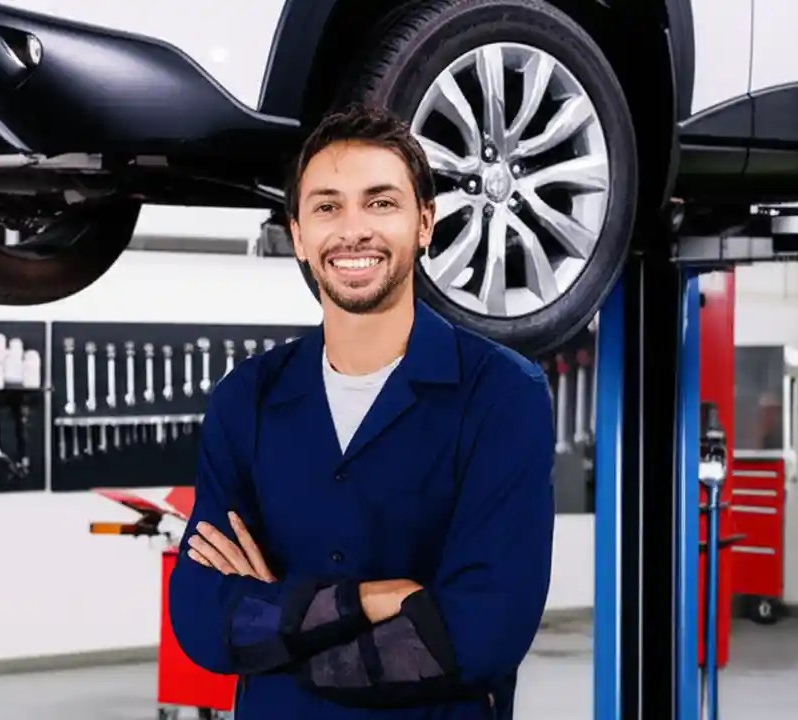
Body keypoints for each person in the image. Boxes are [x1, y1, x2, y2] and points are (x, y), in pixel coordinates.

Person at [168, 103, 556, 719]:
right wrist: (375, 601)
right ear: (298, 234)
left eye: (380, 202)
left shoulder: (503, 395)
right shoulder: (246, 398)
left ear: (424, 223)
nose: (353, 230)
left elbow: (485, 630)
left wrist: (283, 627)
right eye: (327, 207)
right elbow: (200, 617)